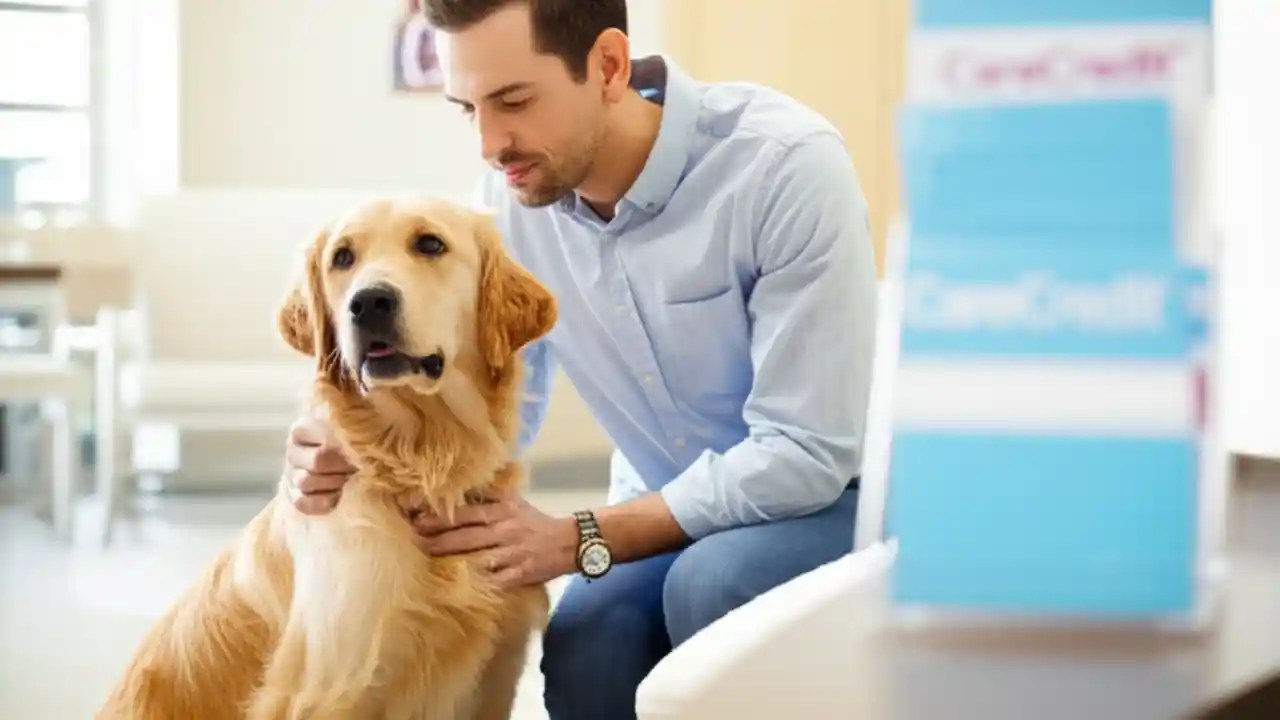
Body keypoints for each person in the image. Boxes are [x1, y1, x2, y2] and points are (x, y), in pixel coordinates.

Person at [283, 0, 878, 717]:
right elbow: (500, 409)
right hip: (656, 506)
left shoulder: (784, 167)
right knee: (588, 644)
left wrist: (583, 536)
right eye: (466, 109)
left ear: (608, 66)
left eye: (513, 101)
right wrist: (340, 439)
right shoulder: (507, 209)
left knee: (713, 584)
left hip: (838, 499)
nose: (489, 144)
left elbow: (805, 455)